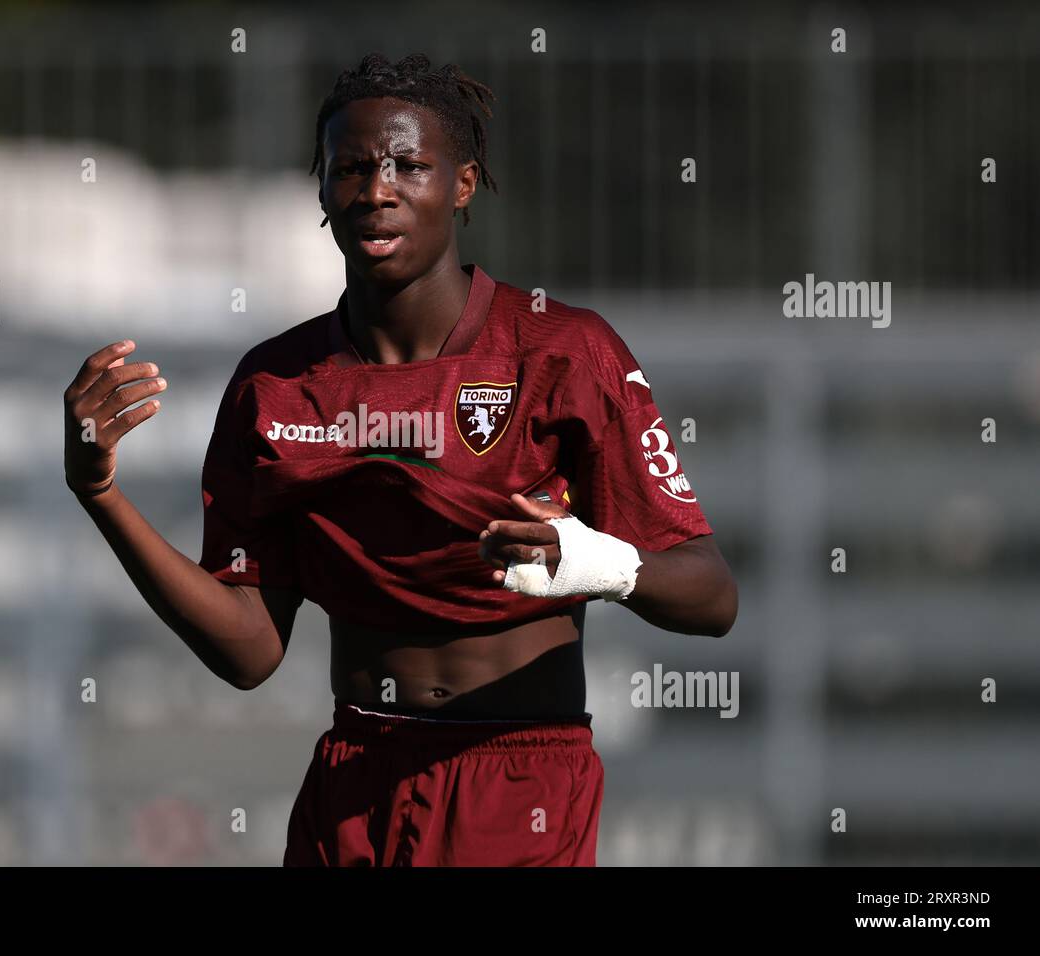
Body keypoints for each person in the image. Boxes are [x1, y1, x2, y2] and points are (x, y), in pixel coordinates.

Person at [63, 53, 737, 867]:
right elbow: (249, 651)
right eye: (349, 167)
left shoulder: (562, 351)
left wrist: (600, 563)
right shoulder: (275, 387)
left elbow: (712, 595)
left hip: (519, 781)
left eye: (408, 166)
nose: (376, 190)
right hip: (355, 782)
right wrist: (101, 495)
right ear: (319, 191)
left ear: (463, 183)